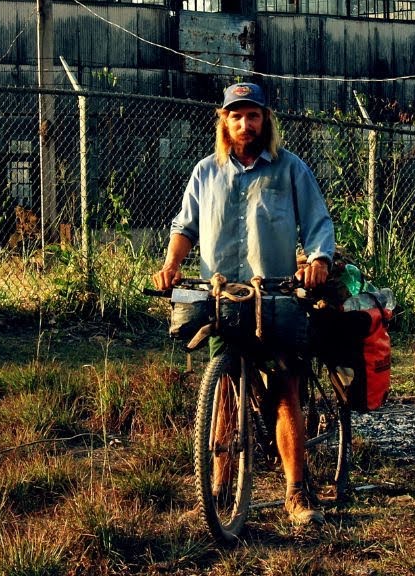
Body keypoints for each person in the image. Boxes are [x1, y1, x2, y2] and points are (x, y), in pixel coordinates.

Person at [153, 81, 335, 526]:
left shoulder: (290, 170)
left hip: (272, 297)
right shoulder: (205, 172)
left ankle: (297, 491)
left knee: (284, 392)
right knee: (223, 398)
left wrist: (318, 259)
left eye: (253, 115)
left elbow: (317, 222)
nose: (245, 123)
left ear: (264, 120)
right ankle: (218, 486)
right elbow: (185, 226)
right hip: (221, 298)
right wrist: (171, 265)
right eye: (237, 115)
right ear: (224, 121)